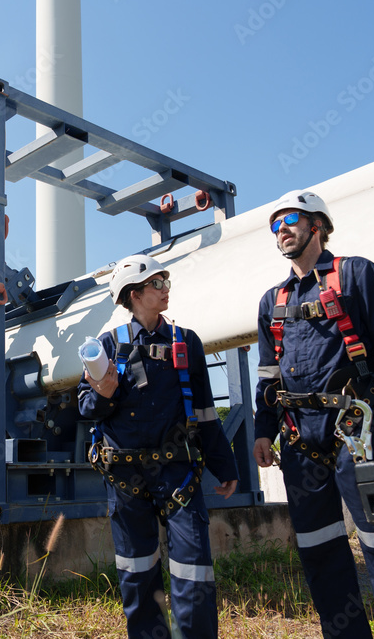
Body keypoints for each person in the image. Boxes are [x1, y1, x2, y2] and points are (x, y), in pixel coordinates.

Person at [253, 190, 374, 638]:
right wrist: (264, 432)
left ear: (317, 225)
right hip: (299, 440)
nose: (282, 229)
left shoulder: (356, 273)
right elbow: (267, 377)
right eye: (275, 224)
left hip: (358, 429)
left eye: (291, 219)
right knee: (319, 551)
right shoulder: (271, 301)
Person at [78, 254, 239, 639]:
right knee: (136, 573)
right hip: (125, 478)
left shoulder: (186, 341)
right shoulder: (107, 346)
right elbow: (86, 408)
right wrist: (103, 391)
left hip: (178, 473)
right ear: (134, 294)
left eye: (166, 282)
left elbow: (204, 412)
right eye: (158, 284)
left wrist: (225, 465)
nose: (167, 289)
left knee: (194, 570)